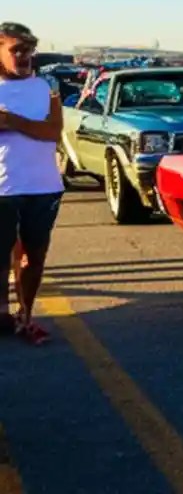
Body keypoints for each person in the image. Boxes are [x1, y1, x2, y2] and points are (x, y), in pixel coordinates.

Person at [0, 23, 64, 344]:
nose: (24, 57)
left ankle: (26, 317)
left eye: (29, 50)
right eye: (16, 50)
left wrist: (10, 121)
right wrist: (30, 126)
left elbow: (53, 131)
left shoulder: (47, 85)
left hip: (43, 186)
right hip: (3, 188)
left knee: (34, 256)